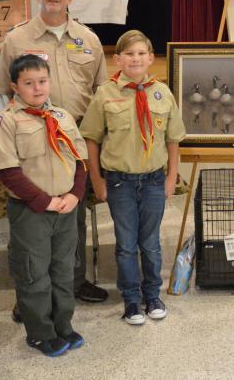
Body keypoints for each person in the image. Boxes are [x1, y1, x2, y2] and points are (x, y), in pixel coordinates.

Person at [0, 0, 109, 310]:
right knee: (32, 219)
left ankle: (72, 281)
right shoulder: (17, 39)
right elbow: (1, 92)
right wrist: (2, 138)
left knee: (73, 215)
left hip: (75, 141)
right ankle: (28, 293)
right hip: (29, 142)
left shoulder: (88, 39)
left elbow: (101, 94)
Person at [80, 30, 184, 324]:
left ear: (151, 58)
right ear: (118, 59)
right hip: (119, 182)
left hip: (153, 180)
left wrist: (171, 177)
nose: (136, 59)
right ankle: (131, 300)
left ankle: (152, 295)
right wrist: (97, 180)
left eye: (141, 54)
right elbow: (91, 138)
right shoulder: (106, 94)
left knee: (150, 243)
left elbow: (173, 139)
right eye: (129, 54)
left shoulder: (163, 93)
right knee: (126, 244)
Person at [0, 54, 88, 357]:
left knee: (63, 269)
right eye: (29, 83)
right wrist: (45, 201)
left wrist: (74, 195)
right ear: (15, 86)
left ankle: (63, 325)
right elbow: (8, 171)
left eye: (42, 81)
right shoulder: (7, 120)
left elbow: (80, 160)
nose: (37, 88)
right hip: (32, 211)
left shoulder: (62, 116)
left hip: (66, 208)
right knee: (34, 273)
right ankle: (40, 332)